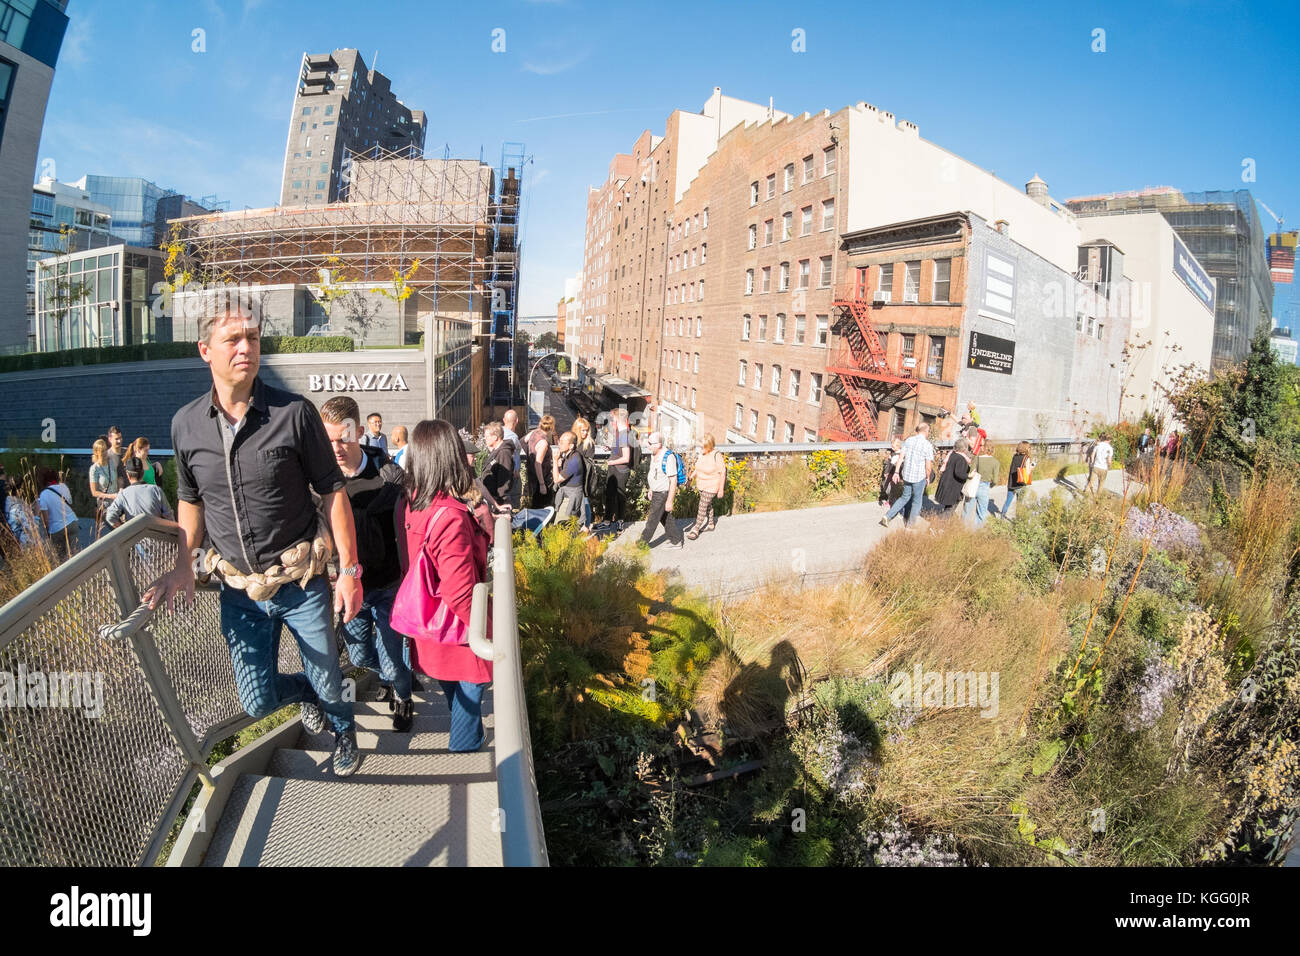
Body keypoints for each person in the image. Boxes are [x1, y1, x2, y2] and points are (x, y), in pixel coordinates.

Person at [143, 293, 362, 777]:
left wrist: (348, 571)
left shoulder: (294, 413)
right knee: (258, 699)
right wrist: (182, 565)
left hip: (302, 582)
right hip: (240, 590)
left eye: (254, 338)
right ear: (206, 350)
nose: (246, 348)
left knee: (329, 678)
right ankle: (305, 693)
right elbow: (190, 501)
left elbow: (333, 492)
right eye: (233, 339)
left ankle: (344, 730)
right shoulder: (185, 425)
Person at [395, 418, 493, 753]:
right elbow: (460, 590)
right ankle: (465, 760)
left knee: (457, 702)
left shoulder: (415, 502)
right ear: (450, 455)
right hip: (462, 631)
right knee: (466, 720)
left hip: (431, 627)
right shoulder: (450, 516)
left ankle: (468, 741)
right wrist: (490, 630)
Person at [320, 396, 414, 732]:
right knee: (359, 656)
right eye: (328, 440)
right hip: (348, 586)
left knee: (392, 655)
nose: (336, 448)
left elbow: (410, 526)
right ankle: (394, 676)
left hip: (387, 584)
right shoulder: (321, 484)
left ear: (359, 432)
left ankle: (403, 697)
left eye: (343, 438)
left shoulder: (388, 475)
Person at [880, 423, 935, 528]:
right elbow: (928, 466)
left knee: (904, 497)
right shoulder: (927, 445)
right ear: (926, 431)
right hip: (919, 477)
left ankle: (888, 516)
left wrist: (896, 472)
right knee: (917, 501)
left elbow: (900, 458)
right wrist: (927, 477)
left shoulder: (908, 441)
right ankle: (910, 526)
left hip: (907, 475)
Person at [640, 431, 684, 549]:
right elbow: (654, 474)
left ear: (658, 445)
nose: (647, 445)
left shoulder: (668, 457)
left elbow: (673, 480)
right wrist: (651, 488)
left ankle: (641, 544)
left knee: (652, 520)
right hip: (656, 491)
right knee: (665, 517)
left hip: (663, 493)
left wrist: (670, 501)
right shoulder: (653, 454)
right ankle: (676, 540)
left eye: (650, 443)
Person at [105, 456, 174, 527]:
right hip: (157, 536)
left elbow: (110, 516)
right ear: (143, 472)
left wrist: (124, 530)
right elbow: (169, 516)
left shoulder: (124, 494)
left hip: (135, 536)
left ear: (128, 475)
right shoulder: (156, 490)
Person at [686, 434, 726, 540]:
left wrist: (721, 489)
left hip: (712, 485)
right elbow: (698, 468)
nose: (700, 449)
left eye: (702, 447)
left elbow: (722, 473)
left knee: (702, 506)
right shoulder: (702, 454)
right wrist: (691, 477)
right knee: (707, 505)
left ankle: (696, 529)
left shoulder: (716, 455)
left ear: (708, 446)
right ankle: (711, 524)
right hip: (701, 485)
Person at [37, 467, 78, 563]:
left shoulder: (43, 494)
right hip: (72, 522)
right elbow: (70, 501)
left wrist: (48, 533)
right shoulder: (63, 486)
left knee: (61, 558)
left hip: (57, 529)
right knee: (75, 554)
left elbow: (46, 520)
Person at [605, 407, 632, 530]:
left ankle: (620, 521)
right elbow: (620, 451)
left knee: (620, 496)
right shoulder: (619, 432)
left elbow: (626, 458)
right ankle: (607, 521)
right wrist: (611, 449)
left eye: (612, 419)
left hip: (620, 470)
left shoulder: (623, 435)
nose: (611, 422)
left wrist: (611, 462)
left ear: (617, 419)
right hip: (615, 468)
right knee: (610, 494)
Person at [479, 422, 517, 511]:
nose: (485, 439)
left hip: (499, 500)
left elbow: (504, 478)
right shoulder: (497, 451)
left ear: (495, 437)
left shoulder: (504, 452)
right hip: (491, 497)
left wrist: (500, 500)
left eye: (487, 436)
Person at [551, 430, 586, 523]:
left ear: (571, 446)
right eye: (559, 441)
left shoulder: (574, 460)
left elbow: (557, 479)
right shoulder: (568, 456)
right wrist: (558, 465)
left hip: (570, 497)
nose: (559, 444)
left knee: (562, 525)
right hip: (567, 494)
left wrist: (555, 461)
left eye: (562, 442)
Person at [524, 414, 556, 510]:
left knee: (536, 504)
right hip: (540, 479)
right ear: (552, 427)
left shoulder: (534, 433)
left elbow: (523, 440)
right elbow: (538, 464)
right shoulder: (543, 443)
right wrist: (542, 484)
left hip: (532, 476)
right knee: (543, 507)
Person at [935, 437, 972, 515]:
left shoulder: (952, 454)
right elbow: (959, 473)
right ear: (964, 448)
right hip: (953, 487)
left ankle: (940, 524)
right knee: (950, 509)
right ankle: (938, 525)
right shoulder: (961, 458)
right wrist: (968, 476)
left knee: (948, 507)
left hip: (947, 483)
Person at [573, 417, 597, 533]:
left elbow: (588, 463)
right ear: (577, 430)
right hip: (573, 477)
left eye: (587, 430)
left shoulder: (589, 443)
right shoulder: (573, 441)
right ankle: (578, 524)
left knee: (585, 501)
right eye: (582, 430)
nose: (585, 432)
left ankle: (586, 525)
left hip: (584, 477)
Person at [966, 445, 1000, 528]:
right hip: (985, 486)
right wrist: (990, 486)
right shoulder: (996, 462)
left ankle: (963, 530)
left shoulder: (976, 459)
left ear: (984, 449)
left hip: (973, 485)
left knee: (967, 510)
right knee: (981, 512)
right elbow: (995, 480)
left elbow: (971, 473)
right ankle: (977, 532)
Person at [88, 438, 119, 529]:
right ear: (96, 452)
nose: (105, 453)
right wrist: (111, 496)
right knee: (116, 529)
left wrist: (120, 489)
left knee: (122, 529)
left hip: (117, 502)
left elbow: (116, 481)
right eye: (102, 451)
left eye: (105, 450)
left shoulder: (111, 463)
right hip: (105, 505)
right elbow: (94, 492)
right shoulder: (94, 469)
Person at [1002, 440, 1035, 520]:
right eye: (1029, 447)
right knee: (1019, 503)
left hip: (1011, 483)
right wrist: (1032, 468)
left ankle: (1002, 518)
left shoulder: (1015, 456)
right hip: (1020, 484)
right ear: (1026, 448)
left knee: (1007, 502)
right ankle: (1018, 520)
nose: (1030, 449)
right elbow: (1027, 472)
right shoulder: (1026, 458)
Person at [5, 479, 39, 548]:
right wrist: (36, 514)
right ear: (18, 490)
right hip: (27, 543)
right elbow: (30, 527)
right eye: (23, 488)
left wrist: (31, 506)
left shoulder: (10, 502)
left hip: (22, 542)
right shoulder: (16, 507)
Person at [502, 409, 523, 510]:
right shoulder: (513, 438)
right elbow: (513, 456)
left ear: (503, 420)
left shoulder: (498, 433)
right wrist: (516, 468)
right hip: (511, 475)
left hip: (501, 474)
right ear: (517, 421)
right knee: (513, 501)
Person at [878, 438, 903, 506]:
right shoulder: (892, 453)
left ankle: (891, 501)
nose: (892, 448)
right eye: (891, 446)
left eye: (893, 447)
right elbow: (888, 463)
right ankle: (889, 499)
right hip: (890, 472)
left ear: (898, 446)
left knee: (893, 487)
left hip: (895, 473)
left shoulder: (901, 454)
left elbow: (894, 464)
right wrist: (886, 472)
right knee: (886, 485)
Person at [106, 425, 129, 491]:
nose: (119, 441)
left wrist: (155, 464)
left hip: (129, 492)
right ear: (110, 439)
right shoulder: (107, 456)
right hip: (115, 495)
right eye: (116, 439)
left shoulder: (127, 452)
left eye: (120, 438)